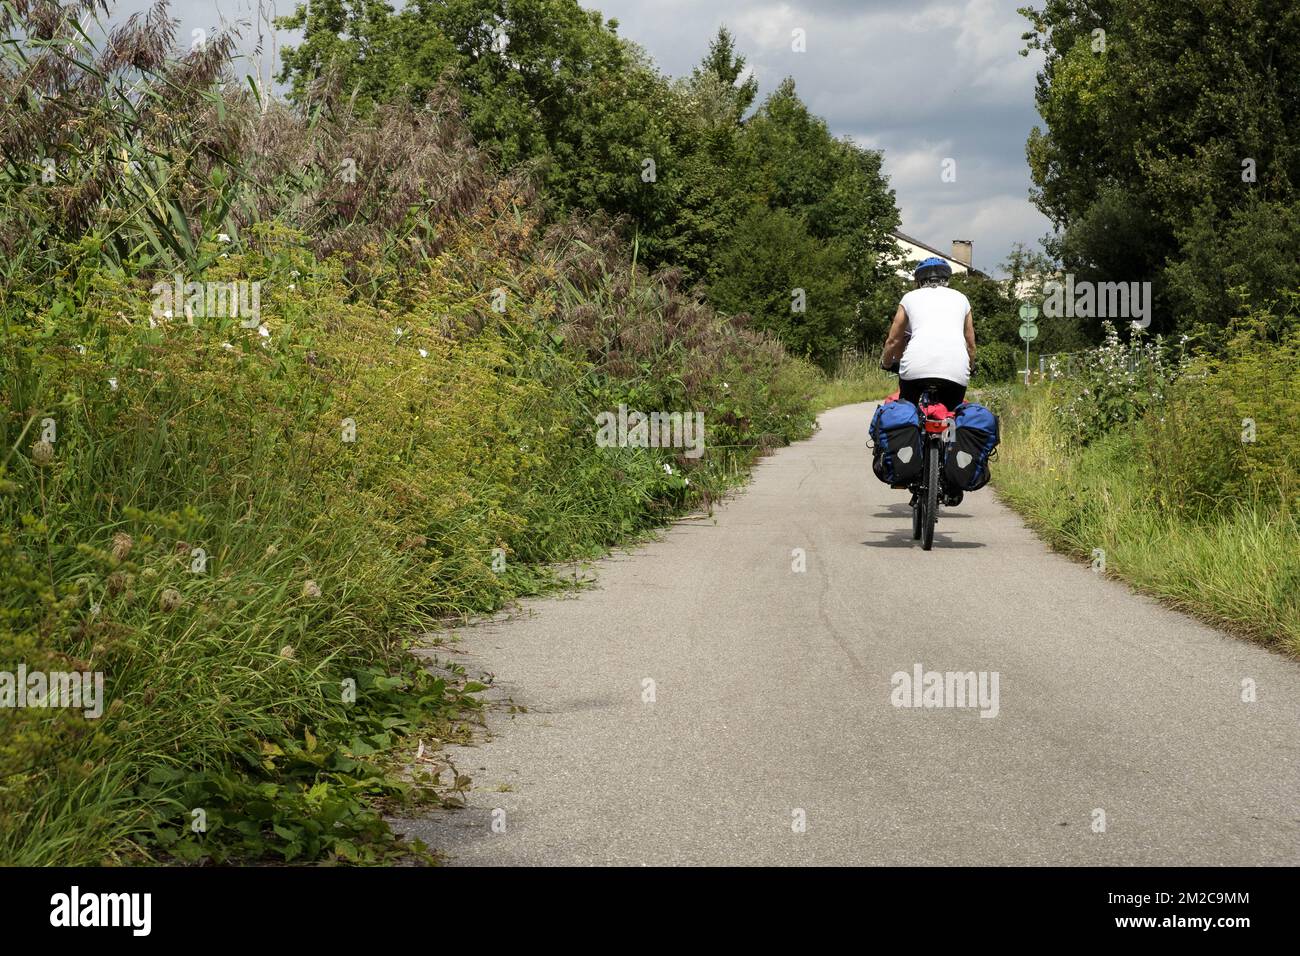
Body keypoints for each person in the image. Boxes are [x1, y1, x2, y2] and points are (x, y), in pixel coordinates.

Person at [879, 257, 975, 409]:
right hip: (955, 371)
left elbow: (894, 340)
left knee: (907, 413)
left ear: (919, 280)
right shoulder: (962, 299)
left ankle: (910, 427)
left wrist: (887, 363)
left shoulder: (909, 298)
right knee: (953, 414)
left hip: (914, 370)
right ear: (947, 278)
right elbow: (970, 345)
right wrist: (972, 366)